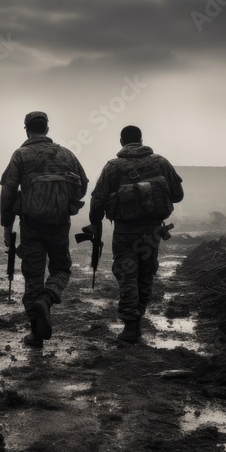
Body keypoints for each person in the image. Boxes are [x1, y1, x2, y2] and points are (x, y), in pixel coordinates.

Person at [87, 125, 183, 343]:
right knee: (145, 274)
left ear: (121, 141)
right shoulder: (160, 162)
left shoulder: (113, 166)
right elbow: (177, 195)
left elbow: (98, 199)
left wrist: (95, 223)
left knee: (127, 273)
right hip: (152, 230)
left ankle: (130, 326)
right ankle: (137, 320)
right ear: (141, 140)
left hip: (124, 231)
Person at [0, 111, 89, 347]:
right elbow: (83, 184)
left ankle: (35, 333)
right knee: (61, 269)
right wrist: (65, 203)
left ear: (27, 130)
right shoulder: (66, 153)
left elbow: (8, 193)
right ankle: (48, 299)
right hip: (59, 225)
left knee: (33, 276)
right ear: (47, 129)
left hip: (31, 225)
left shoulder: (21, 155)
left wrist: (7, 226)